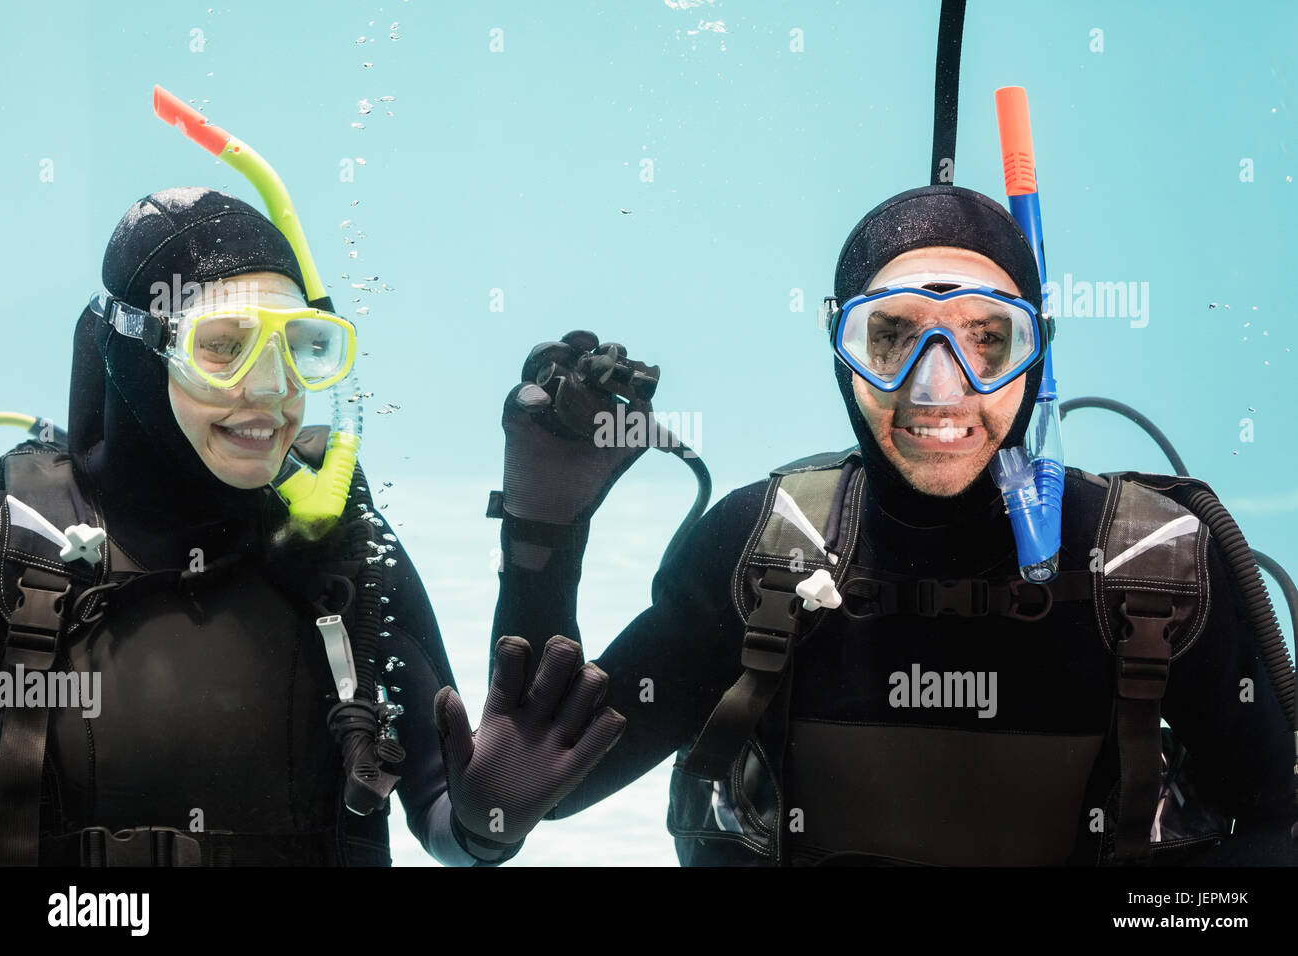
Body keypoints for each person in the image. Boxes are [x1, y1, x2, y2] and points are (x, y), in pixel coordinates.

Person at [491, 183, 1298, 866]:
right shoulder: (755, 551)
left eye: (988, 340)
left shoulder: (1156, 565)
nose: (938, 385)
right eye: (891, 337)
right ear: (841, 350)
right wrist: (545, 539)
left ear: (1038, 354)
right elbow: (543, 786)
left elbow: (1276, 828)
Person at [0, 186, 622, 867]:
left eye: (300, 345)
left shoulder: (340, 553)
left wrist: (487, 823)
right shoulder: (20, 541)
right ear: (138, 355)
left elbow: (445, 813)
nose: (272, 387)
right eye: (223, 347)